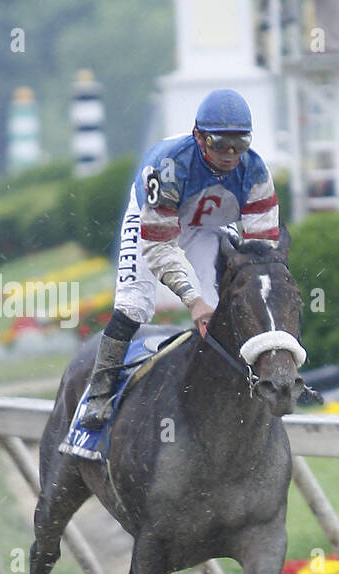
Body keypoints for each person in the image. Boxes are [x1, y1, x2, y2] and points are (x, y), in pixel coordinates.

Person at [77, 88, 279, 431]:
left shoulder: (256, 172)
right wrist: (192, 298)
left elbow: (263, 251)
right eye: (219, 144)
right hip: (154, 223)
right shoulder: (168, 167)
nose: (230, 155)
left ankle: (225, 392)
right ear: (199, 137)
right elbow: (159, 248)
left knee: (220, 309)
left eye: (240, 144)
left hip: (207, 226)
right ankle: (100, 390)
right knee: (134, 305)